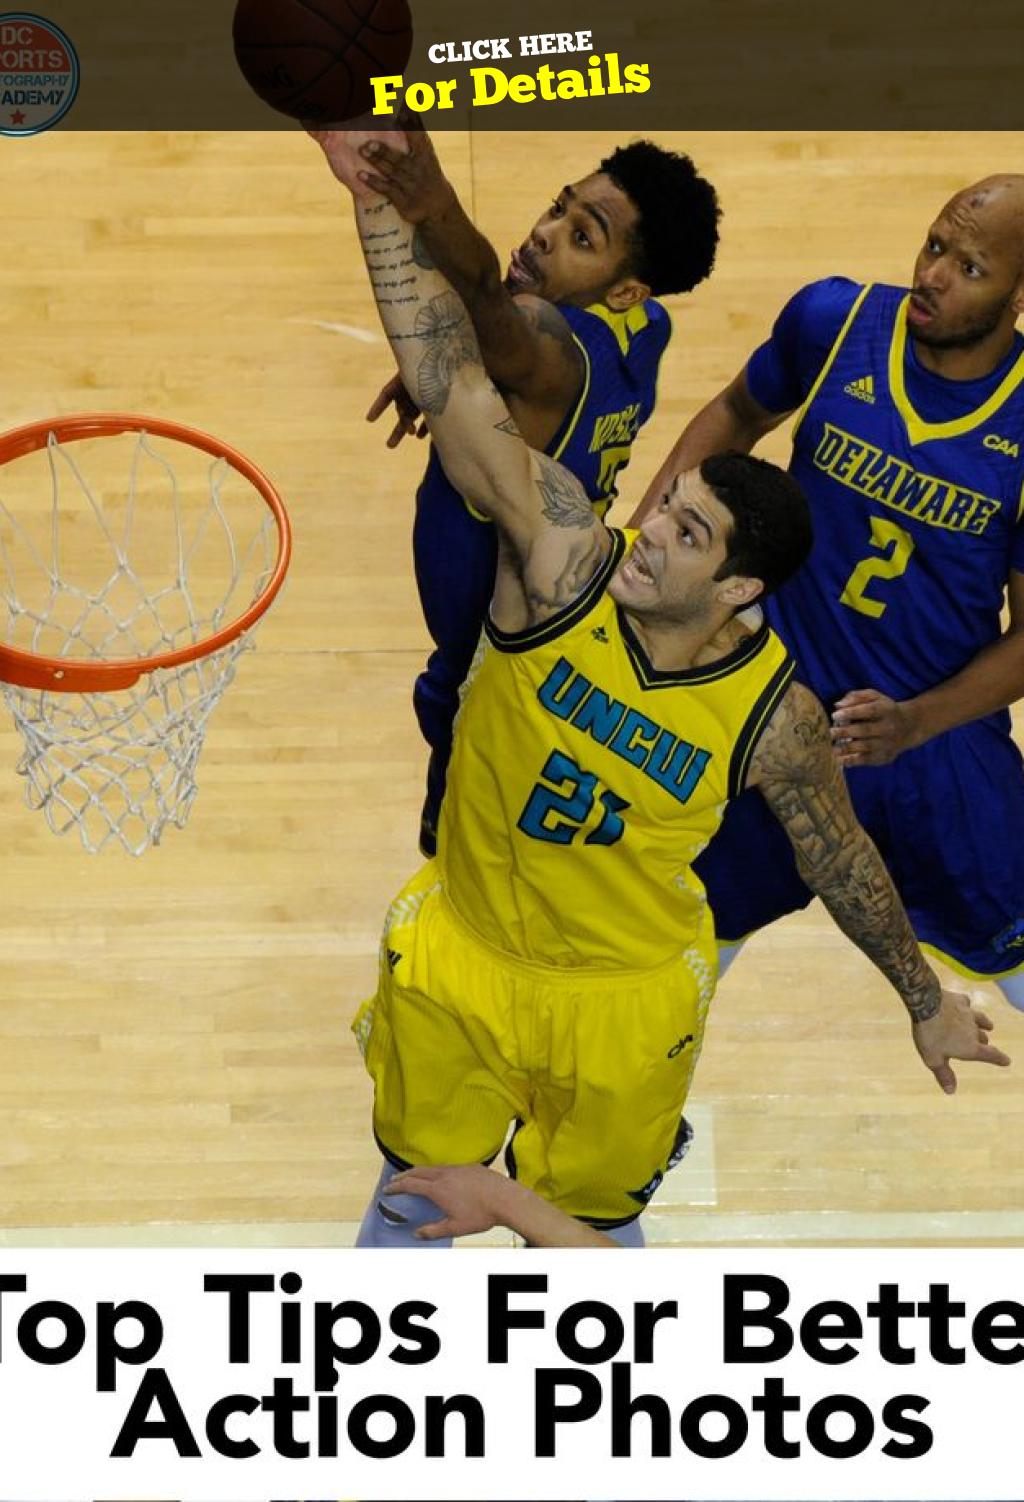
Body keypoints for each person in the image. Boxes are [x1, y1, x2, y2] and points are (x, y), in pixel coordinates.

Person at [316, 129, 1008, 1251]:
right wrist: (375, 201)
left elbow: (839, 856)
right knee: (407, 1206)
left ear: (736, 587)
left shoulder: (772, 715)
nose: (649, 529)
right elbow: (447, 368)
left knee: (594, 1248)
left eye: (684, 531)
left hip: (624, 1007)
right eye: (666, 502)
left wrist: (923, 998)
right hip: (468, 952)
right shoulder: (557, 561)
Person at [636, 175, 1024, 1007]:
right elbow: (738, 411)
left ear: (1020, 294)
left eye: (971, 267)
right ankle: (630, 1129)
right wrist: (648, 533)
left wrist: (915, 722)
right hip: (772, 711)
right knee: (667, 960)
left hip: (935, 745)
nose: (934, 274)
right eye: (934, 245)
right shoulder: (835, 321)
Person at [357, 130, 721, 853]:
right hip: (548, 635)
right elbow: (513, 349)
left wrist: (434, 209)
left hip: (489, 669)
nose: (546, 234)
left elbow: (496, 305)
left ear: (625, 287)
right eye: (560, 208)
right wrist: (476, 383)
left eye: (582, 237)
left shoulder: (549, 351)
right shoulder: (646, 327)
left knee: (468, 862)